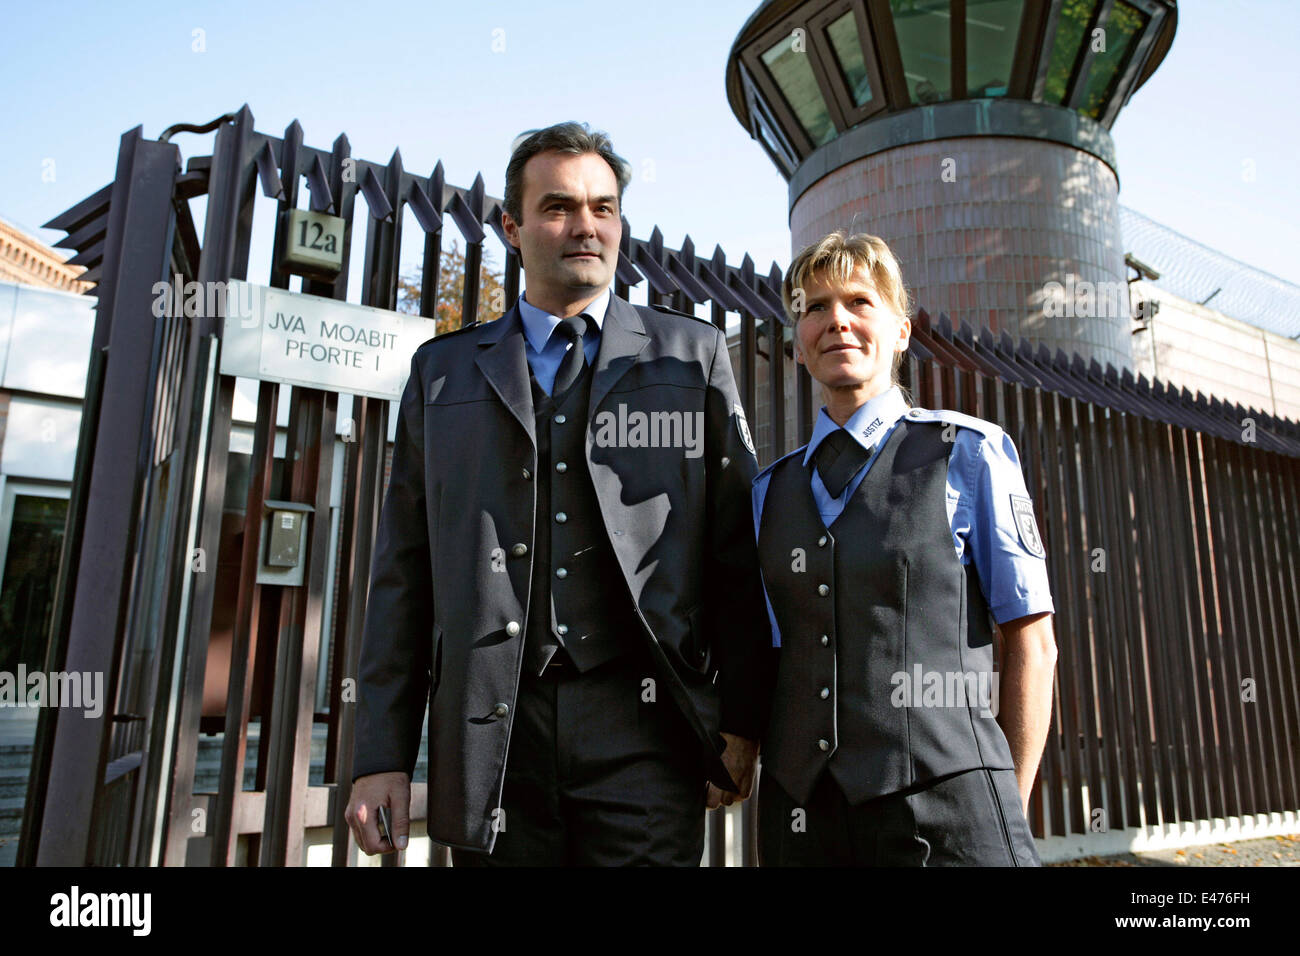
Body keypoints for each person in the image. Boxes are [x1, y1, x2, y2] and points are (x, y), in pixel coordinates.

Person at [344, 122, 771, 866]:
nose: (586, 227)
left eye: (604, 208)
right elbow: (403, 576)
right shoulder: (443, 374)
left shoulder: (690, 356)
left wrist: (741, 720)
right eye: (559, 208)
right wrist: (381, 753)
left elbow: (734, 552)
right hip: (494, 738)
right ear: (512, 227)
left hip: (647, 729)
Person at [752, 231, 1057, 866]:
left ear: (900, 331)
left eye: (860, 301)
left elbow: (1031, 639)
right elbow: (769, 651)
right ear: (798, 342)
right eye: (814, 306)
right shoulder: (766, 492)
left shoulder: (967, 453)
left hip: (950, 815)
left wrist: (1006, 805)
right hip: (802, 820)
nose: (836, 319)